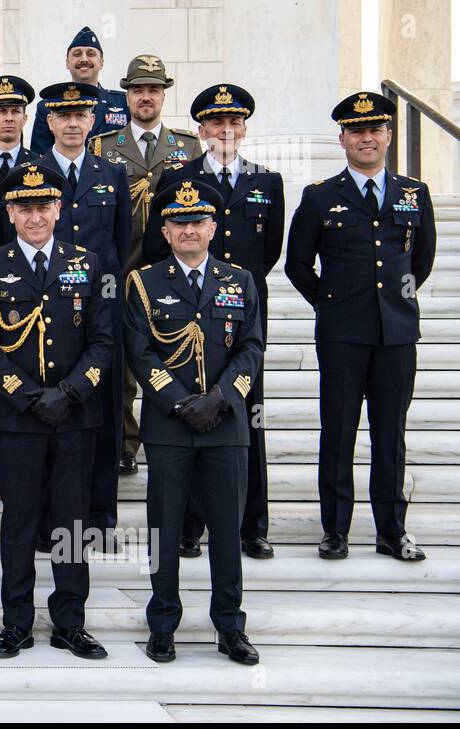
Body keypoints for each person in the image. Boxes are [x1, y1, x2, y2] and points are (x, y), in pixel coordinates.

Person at [285, 91, 436, 562]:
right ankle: (335, 530)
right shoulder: (320, 196)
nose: (366, 138)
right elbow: (297, 264)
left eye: (374, 130)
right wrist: (329, 305)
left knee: (390, 434)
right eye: (356, 131)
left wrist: (398, 297)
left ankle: (391, 530)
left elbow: (422, 258)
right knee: (339, 432)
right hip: (342, 335)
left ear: (389, 135)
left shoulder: (414, 194)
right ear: (342, 139)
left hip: (396, 334)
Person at [0, 162, 112, 660]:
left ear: (58, 208)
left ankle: (70, 621)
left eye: (43, 206)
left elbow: (102, 341)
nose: (35, 216)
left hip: (75, 416)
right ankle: (17, 622)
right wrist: (28, 395)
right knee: (20, 522)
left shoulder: (88, 262)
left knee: (71, 523)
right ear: (10, 212)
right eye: (24, 207)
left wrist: (70, 393)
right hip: (18, 418)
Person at [142, 84, 283, 559]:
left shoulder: (268, 182)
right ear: (201, 130)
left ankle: (251, 525)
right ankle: (189, 524)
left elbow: (268, 254)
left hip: (238, 320)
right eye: (216, 124)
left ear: (244, 128)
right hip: (182, 321)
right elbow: (156, 248)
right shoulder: (177, 177)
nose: (226, 130)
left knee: (244, 420)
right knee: (187, 421)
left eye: (234, 123)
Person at [125, 179, 263, 666]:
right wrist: (181, 402)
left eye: (197, 221)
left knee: (227, 529)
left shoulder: (239, 280)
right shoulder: (144, 282)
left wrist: (222, 399)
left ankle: (230, 626)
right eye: (179, 222)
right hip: (170, 426)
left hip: (226, 428)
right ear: (164, 231)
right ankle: (162, 624)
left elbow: (251, 347)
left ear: (213, 226)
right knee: (164, 531)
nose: (188, 230)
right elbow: (139, 352)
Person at [27, 82, 131, 548]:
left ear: (93, 122)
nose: (72, 123)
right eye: (63, 115)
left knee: (101, 412)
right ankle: (48, 514)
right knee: (47, 414)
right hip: (44, 312)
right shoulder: (32, 173)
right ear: (49, 122)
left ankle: (99, 512)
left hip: (97, 311)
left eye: (80, 115)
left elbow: (122, 245)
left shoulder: (112, 173)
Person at [90, 54, 200, 476]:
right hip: (122, 268)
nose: (146, 97)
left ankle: (168, 435)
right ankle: (125, 441)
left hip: (168, 272)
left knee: (167, 356)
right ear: (128, 96)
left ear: (163, 95)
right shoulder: (103, 145)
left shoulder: (186, 146)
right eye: (138, 90)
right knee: (119, 363)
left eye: (153, 89)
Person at [28, 26, 128, 154]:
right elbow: (40, 156)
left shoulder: (122, 103)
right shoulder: (46, 106)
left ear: (102, 62)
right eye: (77, 54)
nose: (84, 59)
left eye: (91, 54)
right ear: (67, 63)